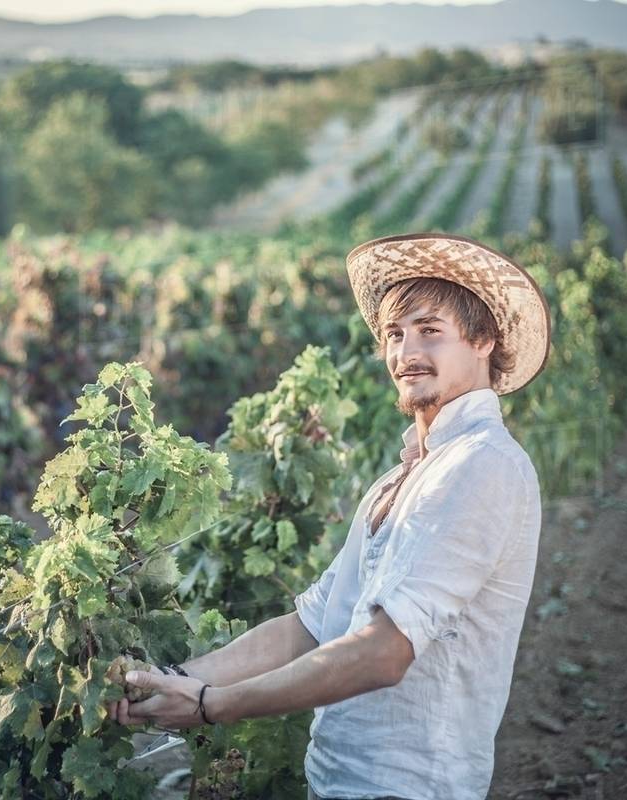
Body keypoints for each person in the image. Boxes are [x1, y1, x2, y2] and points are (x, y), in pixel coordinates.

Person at [108, 232, 552, 800]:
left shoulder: (481, 466)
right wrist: (176, 682)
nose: (405, 352)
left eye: (430, 331)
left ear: (485, 338)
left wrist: (208, 705)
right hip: (339, 780)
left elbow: (384, 653)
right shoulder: (403, 476)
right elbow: (312, 626)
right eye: (394, 334)